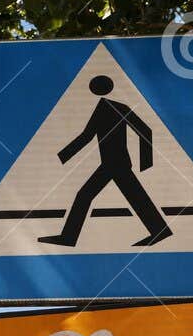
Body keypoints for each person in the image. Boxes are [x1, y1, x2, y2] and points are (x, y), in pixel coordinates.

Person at [37, 75, 172, 248]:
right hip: (113, 163)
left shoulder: (106, 108)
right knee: (134, 197)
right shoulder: (116, 107)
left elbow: (144, 131)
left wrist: (146, 163)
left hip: (115, 163)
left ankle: (69, 237)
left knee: (86, 195)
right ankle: (160, 229)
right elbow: (89, 136)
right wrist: (61, 157)